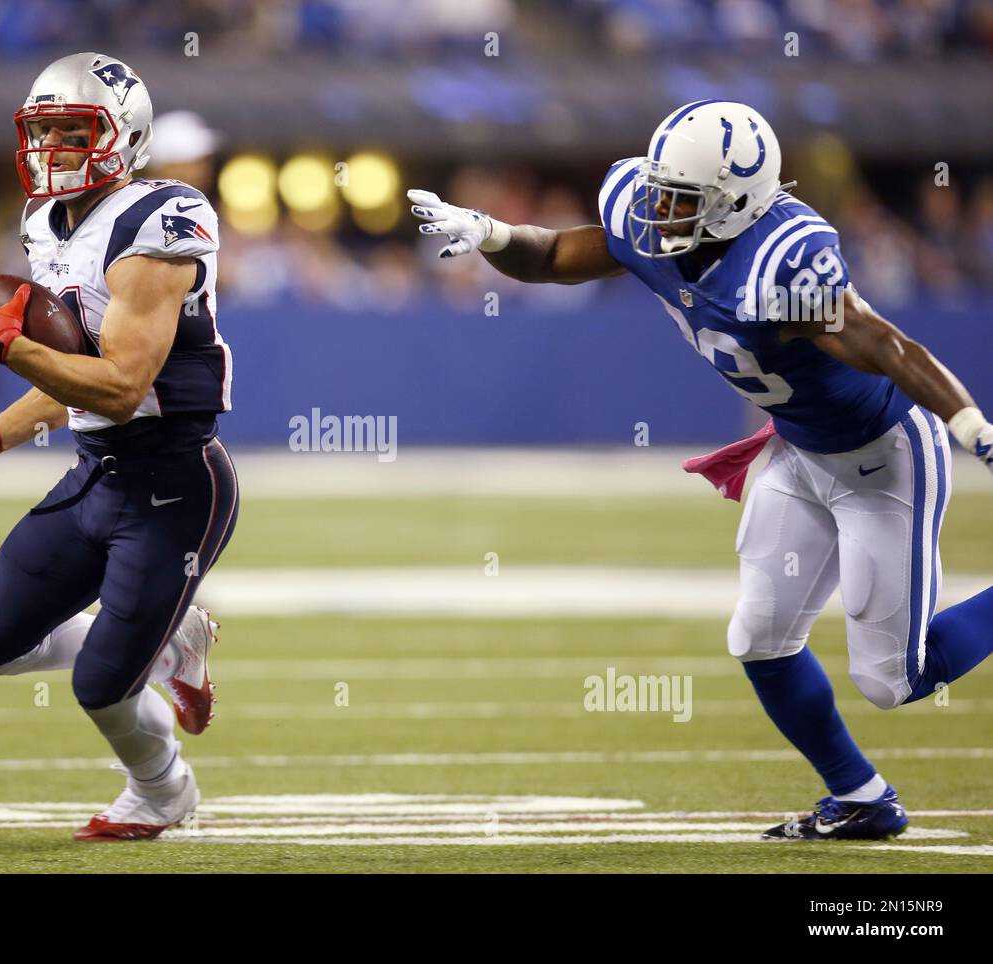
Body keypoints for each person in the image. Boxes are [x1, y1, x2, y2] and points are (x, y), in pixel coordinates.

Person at [411, 100, 993, 841]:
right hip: (798, 451)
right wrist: (491, 232)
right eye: (657, 189)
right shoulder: (652, 219)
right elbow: (557, 256)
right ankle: (861, 797)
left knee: (892, 680)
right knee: (759, 639)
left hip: (883, 460)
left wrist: (972, 426)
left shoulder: (780, 264)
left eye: (678, 198)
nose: (655, 208)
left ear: (736, 202)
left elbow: (886, 345)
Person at [0, 52, 238, 841]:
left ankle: (163, 791)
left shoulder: (161, 217)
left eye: (73, 129)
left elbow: (123, 385)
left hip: (175, 482)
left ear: (125, 136)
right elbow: (75, 376)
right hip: (97, 473)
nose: (53, 146)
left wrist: (11, 349)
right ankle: (176, 639)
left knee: (101, 687)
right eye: (43, 130)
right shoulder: (42, 222)